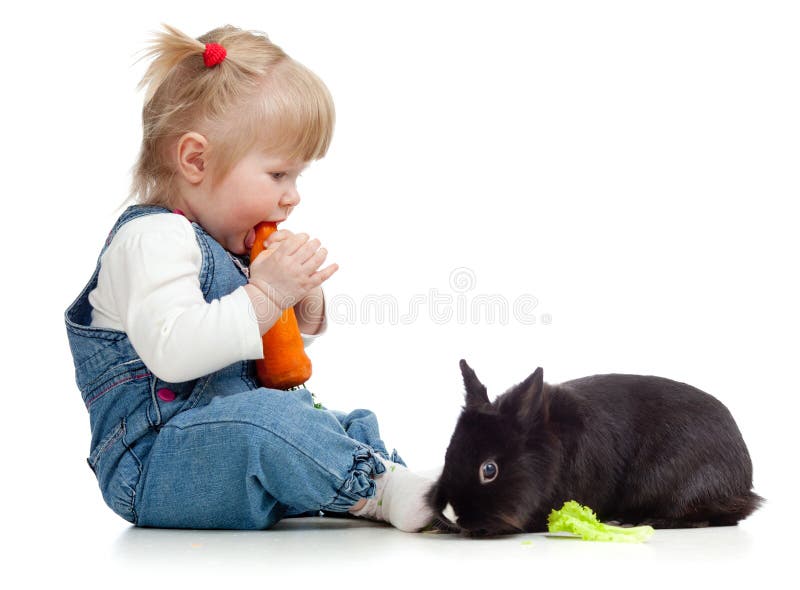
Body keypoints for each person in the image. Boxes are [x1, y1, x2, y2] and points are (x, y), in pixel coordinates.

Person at [64, 24, 433, 531]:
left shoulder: (222, 242)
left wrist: (301, 298)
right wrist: (267, 292)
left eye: (297, 178)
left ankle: (397, 479)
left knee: (322, 420)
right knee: (271, 423)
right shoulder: (152, 240)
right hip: (157, 465)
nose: (293, 196)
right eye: (279, 175)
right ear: (196, 160)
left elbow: (261, 347)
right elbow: (175, 353)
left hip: (232, 451)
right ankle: (378, 489)